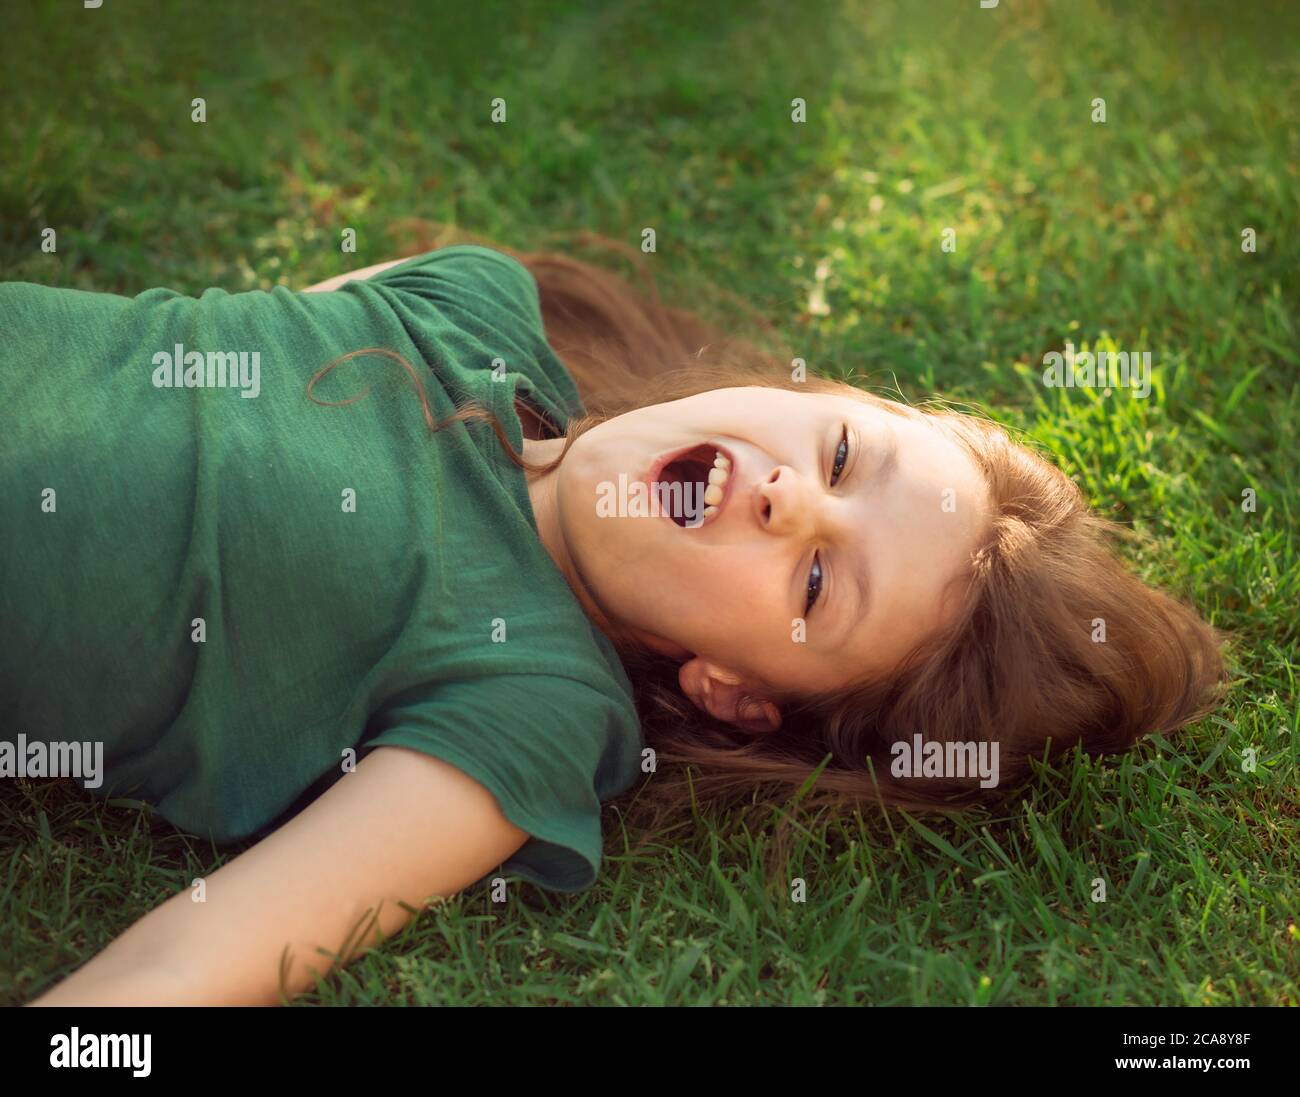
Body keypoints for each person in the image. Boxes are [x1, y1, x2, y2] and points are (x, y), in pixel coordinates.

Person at [3, 235, 1224, 1005]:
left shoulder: (528, 702)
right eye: (841, 452)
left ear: (729, 689)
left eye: (813, 583)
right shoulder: (462, 298)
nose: (789, 495)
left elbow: (195, 964)